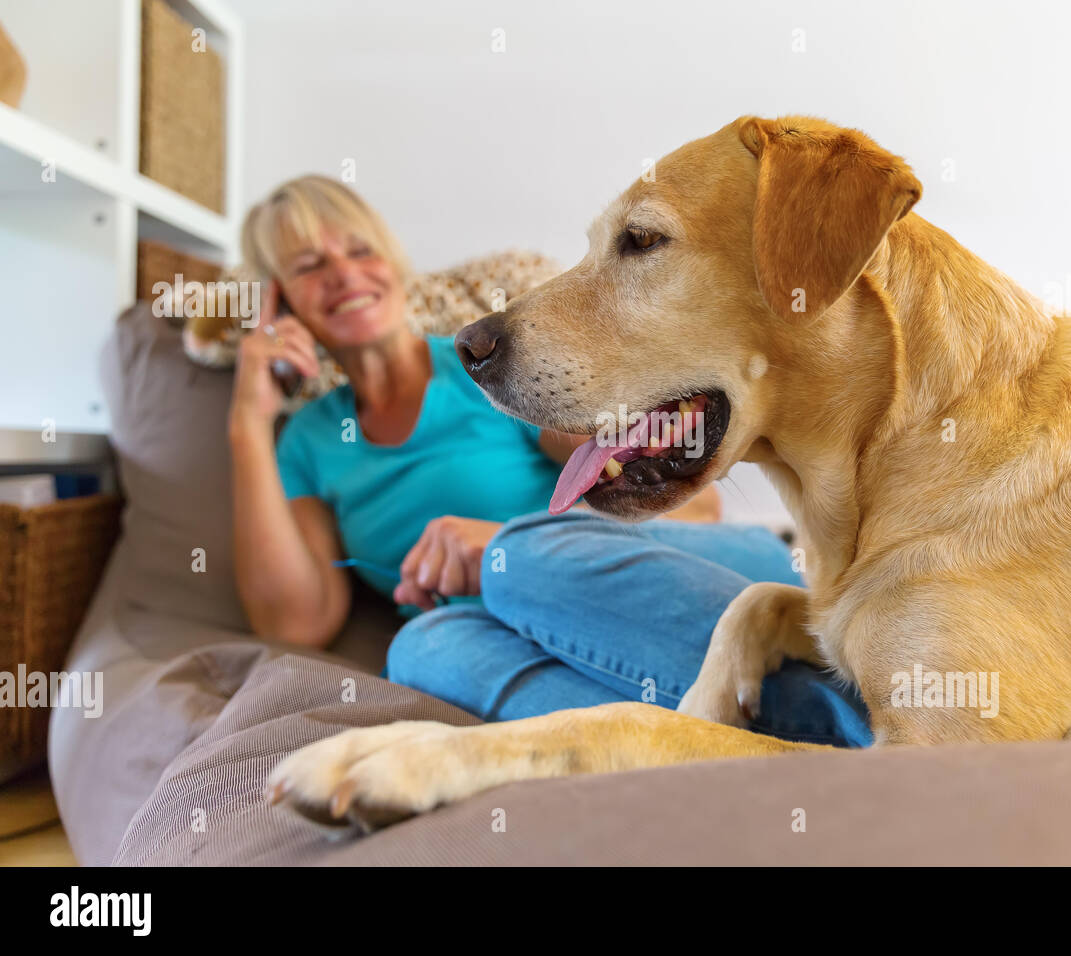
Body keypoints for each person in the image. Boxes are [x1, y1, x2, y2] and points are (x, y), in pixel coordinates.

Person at [229, 175, 872, 747]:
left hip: (672, 579)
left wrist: (501, 550)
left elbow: (696, 505)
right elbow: (298, 620)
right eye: (311, 265)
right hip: (505, 633)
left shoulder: (490, 367)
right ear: (279, 300)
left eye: (361, 250)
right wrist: (246, 422)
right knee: (423, 648)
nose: (344, 274)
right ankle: (788, 744)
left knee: (520, 565)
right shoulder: (308, 440)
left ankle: (857, 716)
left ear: (395, 266)